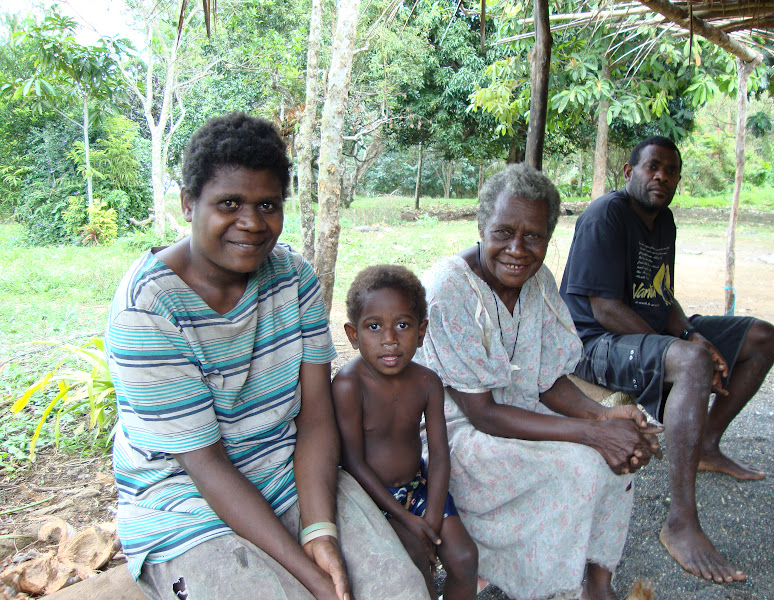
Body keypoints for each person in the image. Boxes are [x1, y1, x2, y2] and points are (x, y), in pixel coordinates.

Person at [106, 113, 429, 600]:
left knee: (401, 589)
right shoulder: (147, 311)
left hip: (289, 472)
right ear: (188, 203)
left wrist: (320, 530)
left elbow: (317, 416)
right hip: (187, 504)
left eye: (268, 205)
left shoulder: (293, 279)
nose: (252, 223)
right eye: (229, 203)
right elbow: (207, 466)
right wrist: (310, 575)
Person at [418, 163, 663, 600]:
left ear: (548, 239)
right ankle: (549, 587)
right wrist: (592, 432)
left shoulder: (538, 283)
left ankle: (596, 581)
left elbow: (549, 381)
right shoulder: (447, 290)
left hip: (522, 413)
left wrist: (608, 418)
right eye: (503, 232)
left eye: (533, 236)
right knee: (578, 465)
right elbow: (483, 413)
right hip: (456, 436)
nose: (517, 248)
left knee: (617, 446)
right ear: (481, 226)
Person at [559, 136, 774, 584]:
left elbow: (661, 298)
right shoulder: (606, 216)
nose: (662, 177)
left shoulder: (664, 222)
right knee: (694, 362)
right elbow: (603, 309)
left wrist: (691, 333)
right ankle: (680, 521)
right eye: (652, 167)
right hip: (594, 342)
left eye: (671, 171)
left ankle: (705, 445)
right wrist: (683, 349)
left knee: (761, 337)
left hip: (645, 330)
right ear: (629, 172)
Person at [332, 265, 479, 600]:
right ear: (353, 335)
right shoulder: (348, 385)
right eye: (374, 326)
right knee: (416, 568)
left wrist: (430, 517)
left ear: (422, 331)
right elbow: (353, 463)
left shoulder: (427, 382)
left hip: (419, 487)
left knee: (465, 558)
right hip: (371, 500)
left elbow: (439, 454)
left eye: (402, 325)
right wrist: (407, 520)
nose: (389, 340)